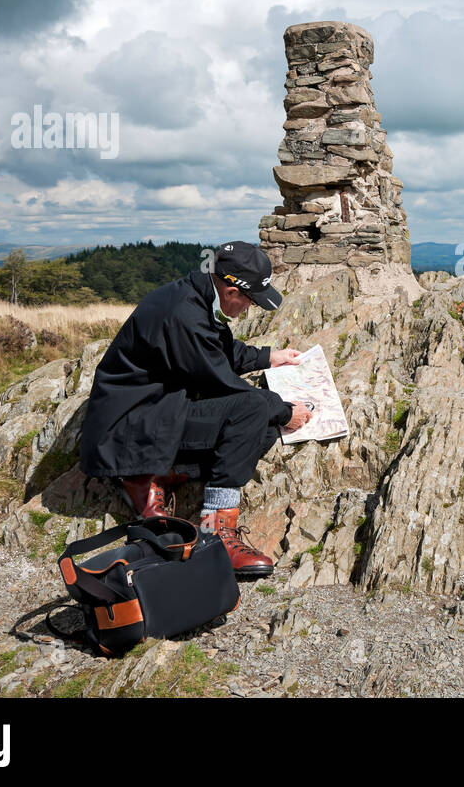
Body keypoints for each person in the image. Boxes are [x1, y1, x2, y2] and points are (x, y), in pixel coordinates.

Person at [78, 241, 311, 577]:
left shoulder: (197, 294)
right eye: (248, 300)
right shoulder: (184, 314)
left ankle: (163, 472)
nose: (249, 307)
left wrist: (268, 357)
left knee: (259, 427)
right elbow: (224, 384)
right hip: (129, 427)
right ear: (231, 290)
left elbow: (216, 351)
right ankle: (215, 530)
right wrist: (287, 412)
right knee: (253, 411)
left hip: (157, 410)